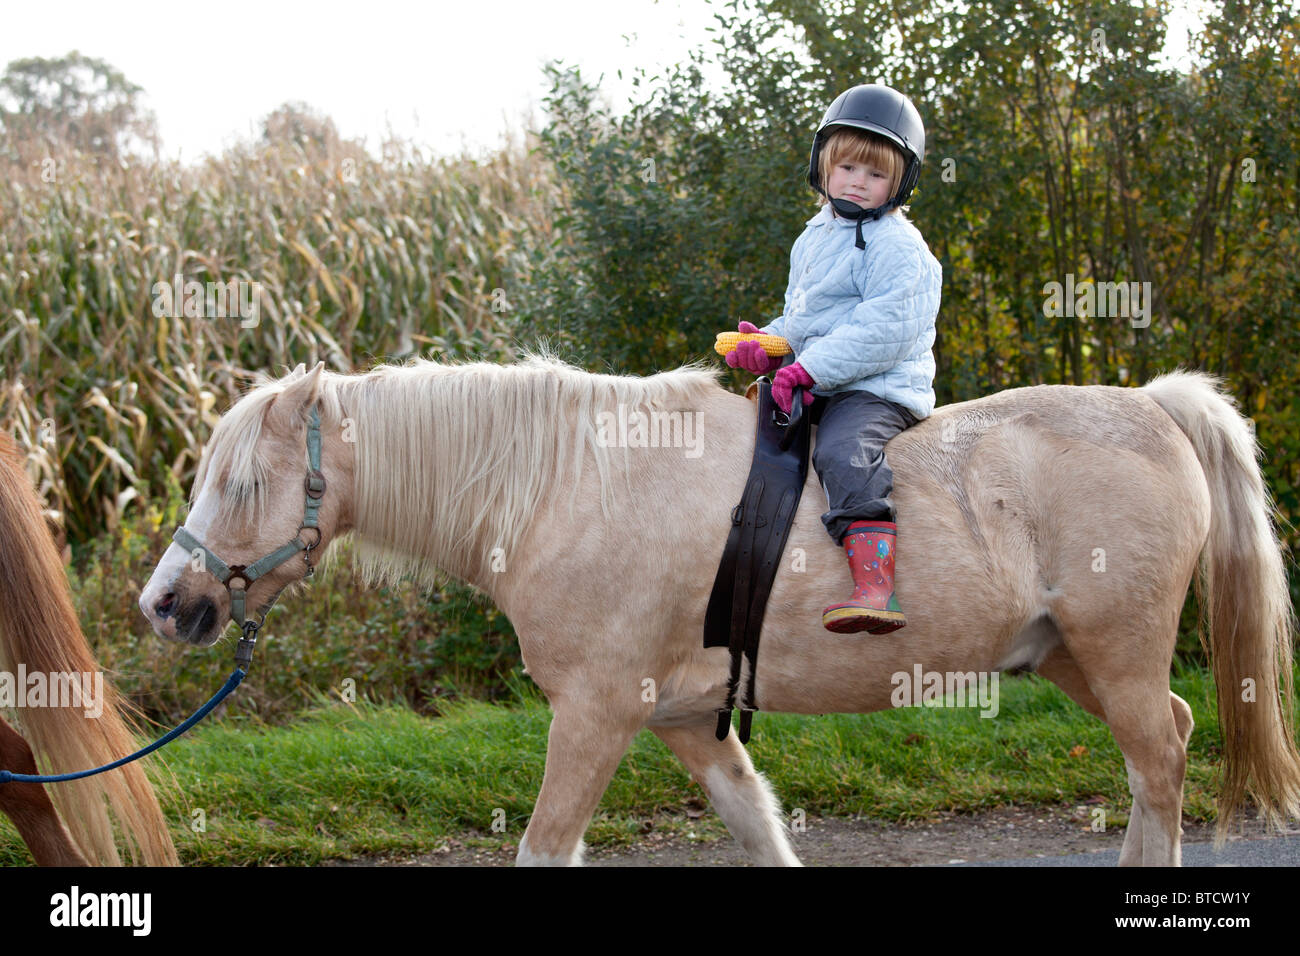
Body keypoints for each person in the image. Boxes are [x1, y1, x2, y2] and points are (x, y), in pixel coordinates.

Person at [724, 83, 941, 635]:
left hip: (879, 388)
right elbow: (804, 317)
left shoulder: (902, 250)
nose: (858, 183)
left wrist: (807, 369)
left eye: (875, 175)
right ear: (823, 168)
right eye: (846, 168)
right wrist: (769, 344)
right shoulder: (815, 236)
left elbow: (880, 334)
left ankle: (875, 585)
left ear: (900, 184)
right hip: (822, 377)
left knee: (845, 452)